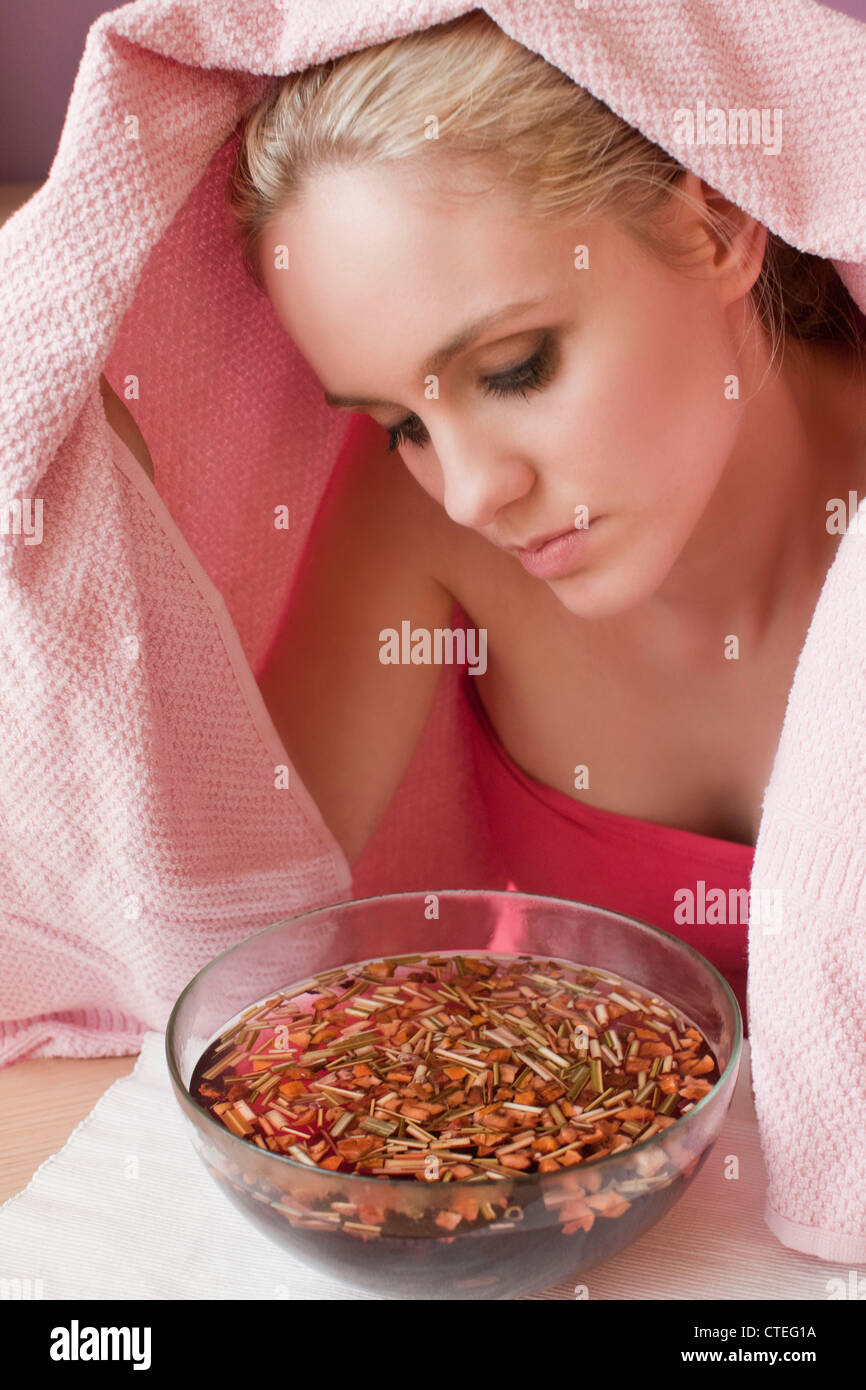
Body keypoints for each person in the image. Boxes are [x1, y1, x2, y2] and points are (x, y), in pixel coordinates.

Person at [109, 8, 865, 1028]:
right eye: (397, 426)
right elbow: (230, 935)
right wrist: (107, 564)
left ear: (715, 224)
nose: (470, 494)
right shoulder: (420, 525)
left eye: (514, 368)